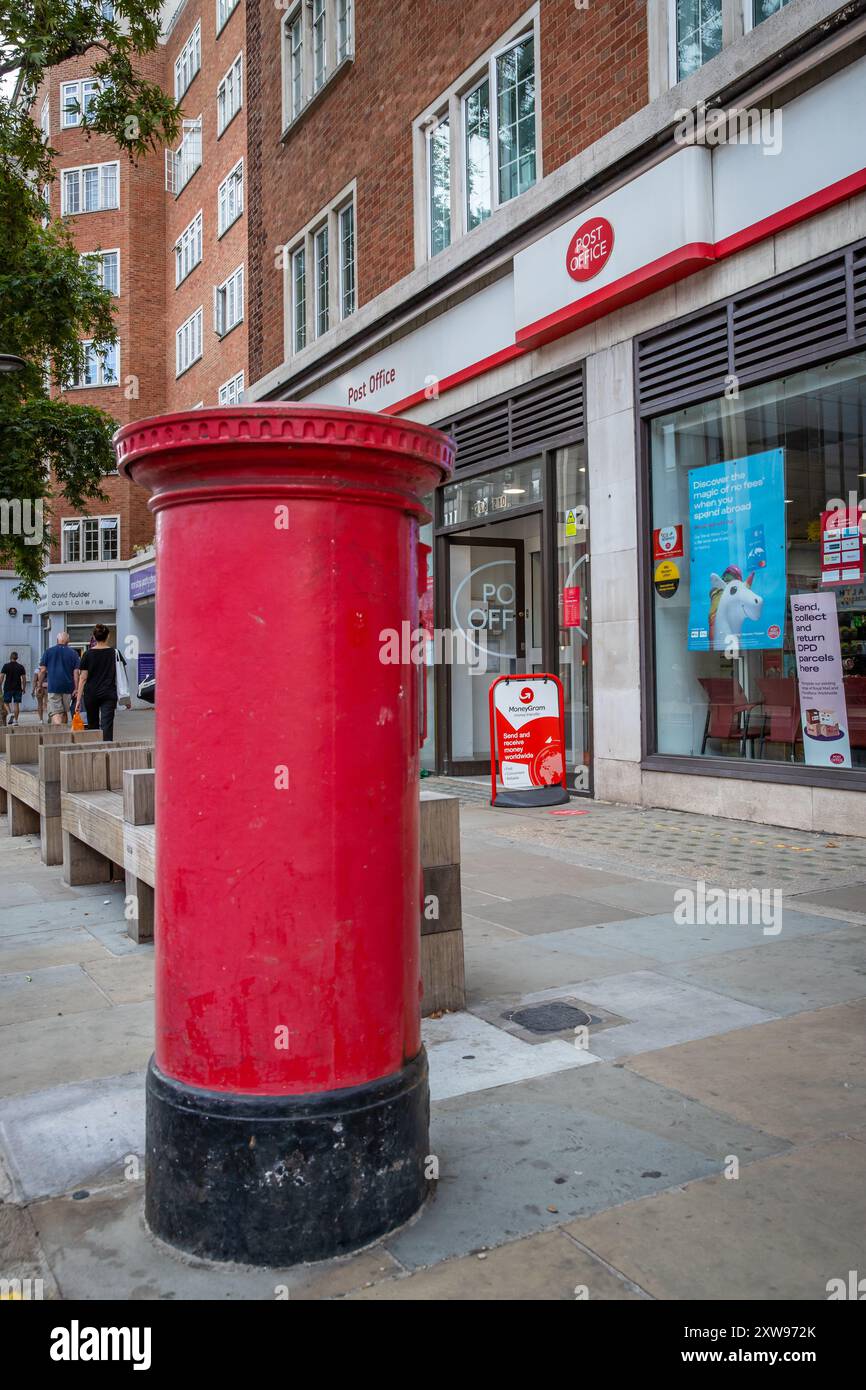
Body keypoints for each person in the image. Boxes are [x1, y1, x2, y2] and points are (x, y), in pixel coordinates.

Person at [75, 624, 126, 742]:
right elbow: (121, 675)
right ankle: (107, 750)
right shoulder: (115, 653)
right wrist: (125, 698)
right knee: (107, 725)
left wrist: (78, 700)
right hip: (109, 694)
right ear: (108, 636)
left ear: (93, 637)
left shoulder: (87, 654)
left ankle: (95, 749)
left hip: (91, 694)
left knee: (93, 725)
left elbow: (83, 678)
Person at [39, 631, 80, 725]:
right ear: (68, 641)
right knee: (65, 712)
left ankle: (59, 733)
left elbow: (42, 670)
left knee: (56, 712)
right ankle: (64, 732)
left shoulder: (48, 651)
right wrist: (76, 688)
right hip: (68, 688)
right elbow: (76, 672)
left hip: (54, 686)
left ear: (57, 640)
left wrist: (39, 685)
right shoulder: (73, 653)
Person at [1, 651, 27, 726]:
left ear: (10, 657)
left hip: (8, 688)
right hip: (18, 688)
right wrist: (24, 688)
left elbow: (1, 677)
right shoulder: (21, 667)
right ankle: (15, 721)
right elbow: (24, 679)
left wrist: (0, 685)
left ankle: (10, 714)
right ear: (17, 658)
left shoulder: (6, 666)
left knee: (6, 702)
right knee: (16, 704)